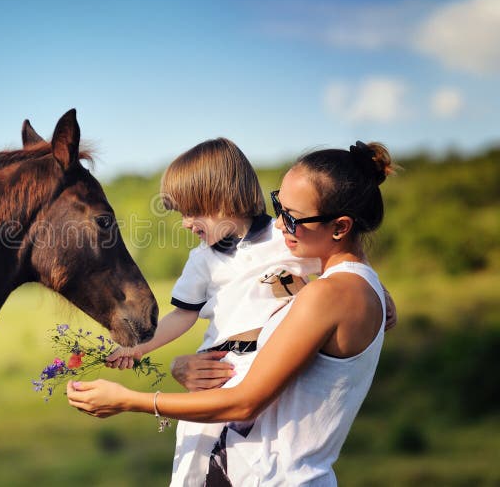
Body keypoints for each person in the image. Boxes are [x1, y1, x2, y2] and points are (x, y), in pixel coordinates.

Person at [68, 141, 396, 486]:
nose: (283, 226)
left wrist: (129, 400)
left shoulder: (310, 268)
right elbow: (184, 315)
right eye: (278, 207)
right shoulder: (211, 259)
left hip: (260, 451)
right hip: (224, 425)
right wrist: (146, 351)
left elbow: (246, 400)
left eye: (292, 217)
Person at [105, 137, 321, 486]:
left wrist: (376, 292)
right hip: (217, 379)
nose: (186, 223)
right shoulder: (202, 260)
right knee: (199, 469)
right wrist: (137, 347)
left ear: (220, 199)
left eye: (191, 212)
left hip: (270, 380)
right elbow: (182, 316)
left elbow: (339, 274)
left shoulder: (286, 240)